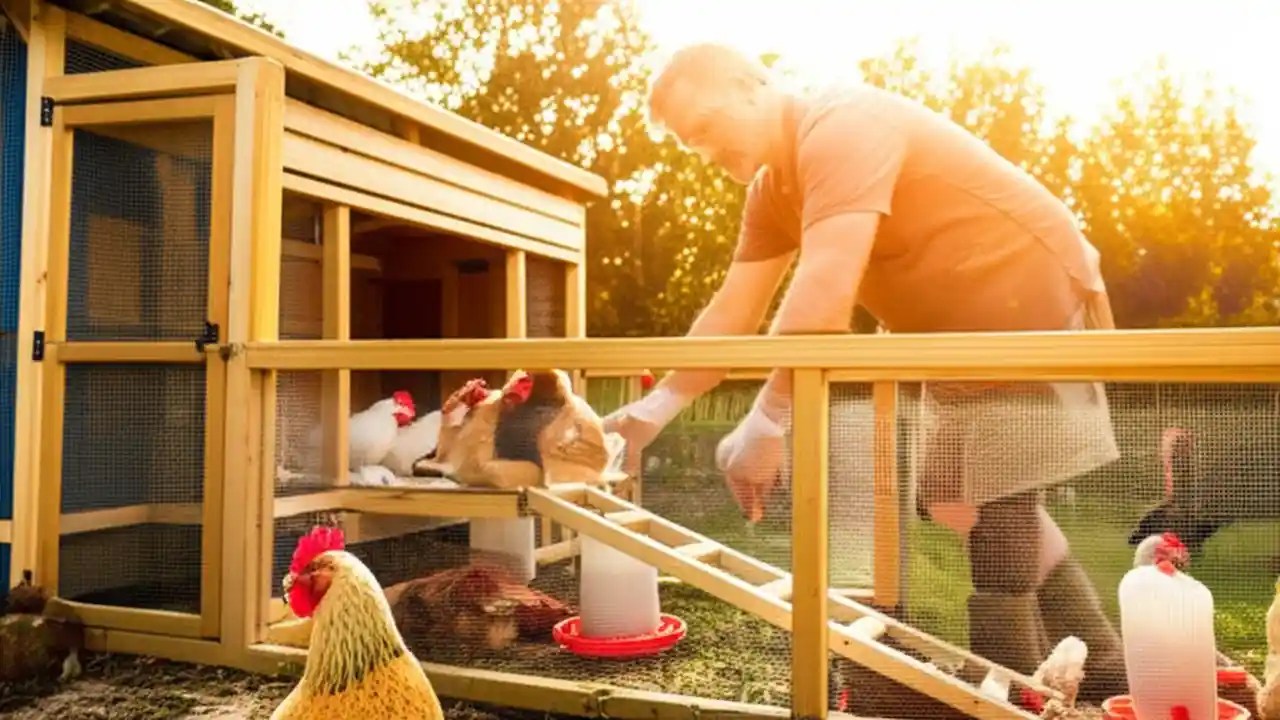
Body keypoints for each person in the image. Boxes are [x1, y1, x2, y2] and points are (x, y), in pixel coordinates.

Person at [601, 42, 1126, 700]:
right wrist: (656, 408)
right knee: (956, 500)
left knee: (997, 509)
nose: (702, 151)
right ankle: (1103, 661)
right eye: (688, 143)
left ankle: (1014, 692)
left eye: (703, 128)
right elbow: (733, 310)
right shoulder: (773, 188)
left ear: (751, 85)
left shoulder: (841, 124)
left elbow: (823, 292)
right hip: (953, 338)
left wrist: (767, 420)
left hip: (1025, 302)